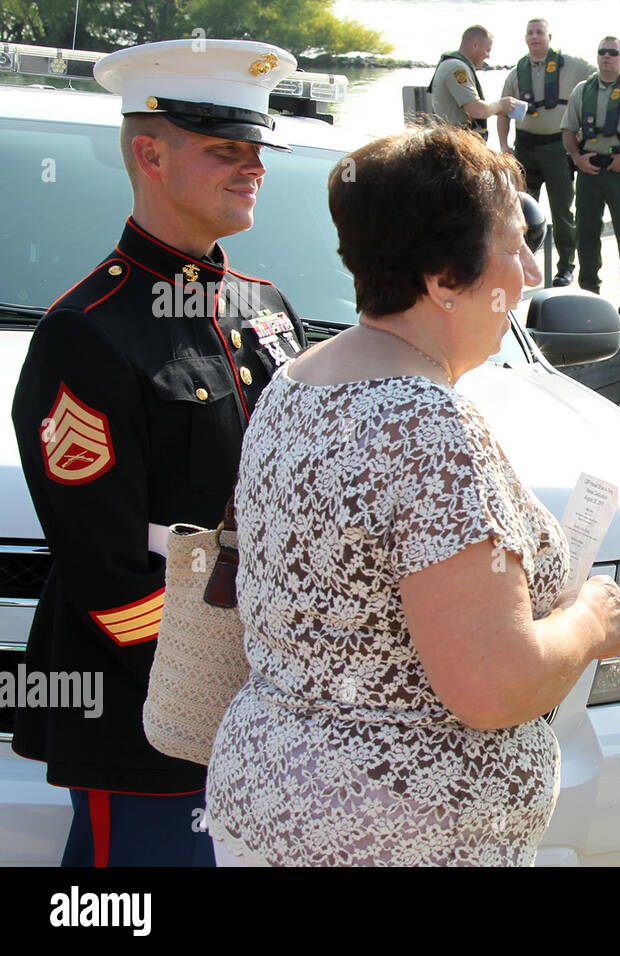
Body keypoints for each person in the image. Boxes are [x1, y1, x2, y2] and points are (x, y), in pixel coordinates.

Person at [203, 127, 620, 866]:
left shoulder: (295, 383)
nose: (531, 272)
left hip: (268, 805)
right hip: (393, 839)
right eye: (514, 244)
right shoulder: (423, 421)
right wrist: (593, 619)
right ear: (442, 277)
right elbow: (494, 683)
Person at [9, 39, 306, 867]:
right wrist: (220, 690)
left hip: (268, 703)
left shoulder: (266, 307)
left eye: (256, 152)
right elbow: (108, 573)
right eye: (225, 150)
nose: (252, 168)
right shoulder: (87, 333)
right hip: (151, 718)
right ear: (150, 152)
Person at [497, 18, 596, 287]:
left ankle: (566, 266)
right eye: (530, 33)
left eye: (539, 32)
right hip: (525, 148)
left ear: (549, 36)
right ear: (525, 38)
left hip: (556, 147)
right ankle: (520, 264)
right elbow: (504, 112)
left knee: (562, 209)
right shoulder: (517, 72)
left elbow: (599, 79)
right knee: (519, 209)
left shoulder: (570, 65)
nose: (535, 37)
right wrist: (504, 145)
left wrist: (584, 126)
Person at [561, 37, 620, 311]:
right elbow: (567, 130)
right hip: (590, 171)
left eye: (613, 53)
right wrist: (577, 159)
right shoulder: (582, 90)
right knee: (586, 232)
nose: (606, 56)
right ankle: (590, 294)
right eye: (602, 52)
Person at [428, 24, 524, 140]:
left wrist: (496, 110)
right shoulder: (457, 68)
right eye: (487, 50)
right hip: (455, 143)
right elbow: (476, 110)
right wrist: (500, 105)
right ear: (475, 45)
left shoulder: (453, 64)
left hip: (452, 139)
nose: (488, 56)